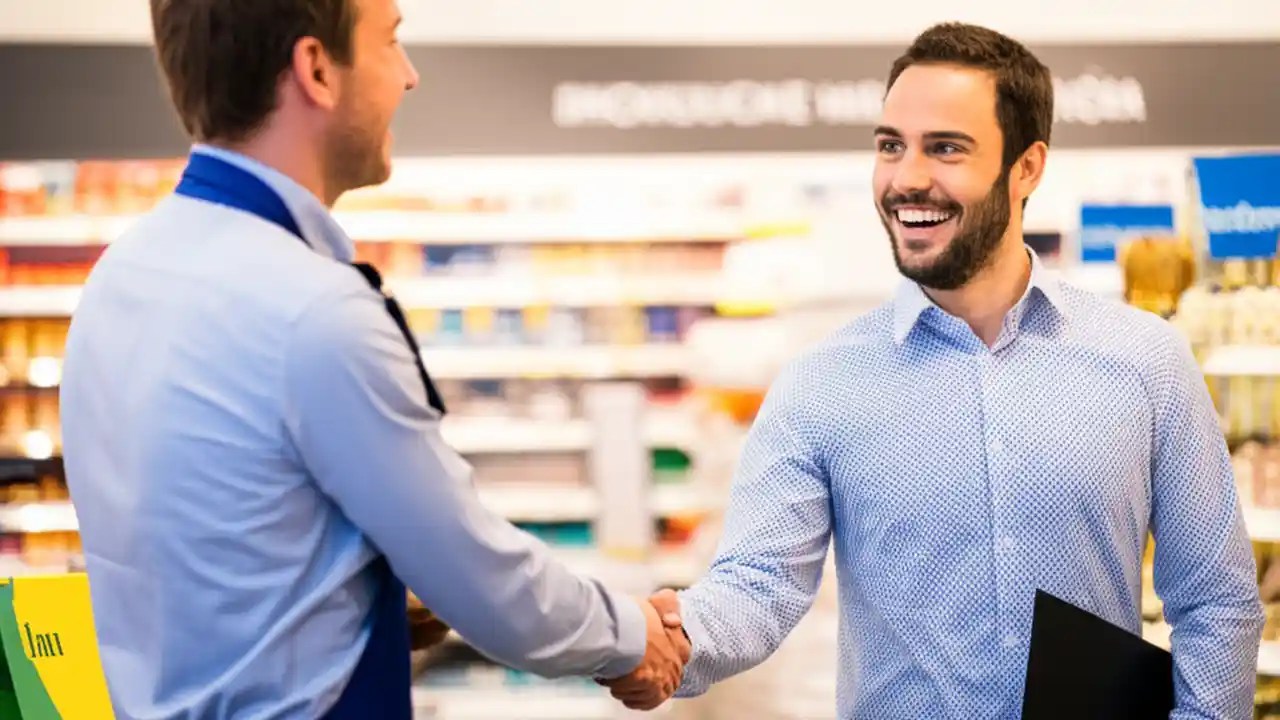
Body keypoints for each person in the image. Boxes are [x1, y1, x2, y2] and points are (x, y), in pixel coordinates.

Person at [602, 21, 1265, 719]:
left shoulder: (1144, 362)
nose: (907, 178)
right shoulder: (821, 384)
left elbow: (1216, 598)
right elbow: (759, 583)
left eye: (945, 148)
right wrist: (671, 639)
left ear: (1027, 167)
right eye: (891, 146)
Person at [59, 0, 687, 717]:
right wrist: (632, 633)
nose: (410, 77)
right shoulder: (315, 312)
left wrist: (367, 595)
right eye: (391, 42)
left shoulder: (121, 275)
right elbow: (478, 573)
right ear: (317, 70)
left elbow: (218, 553)